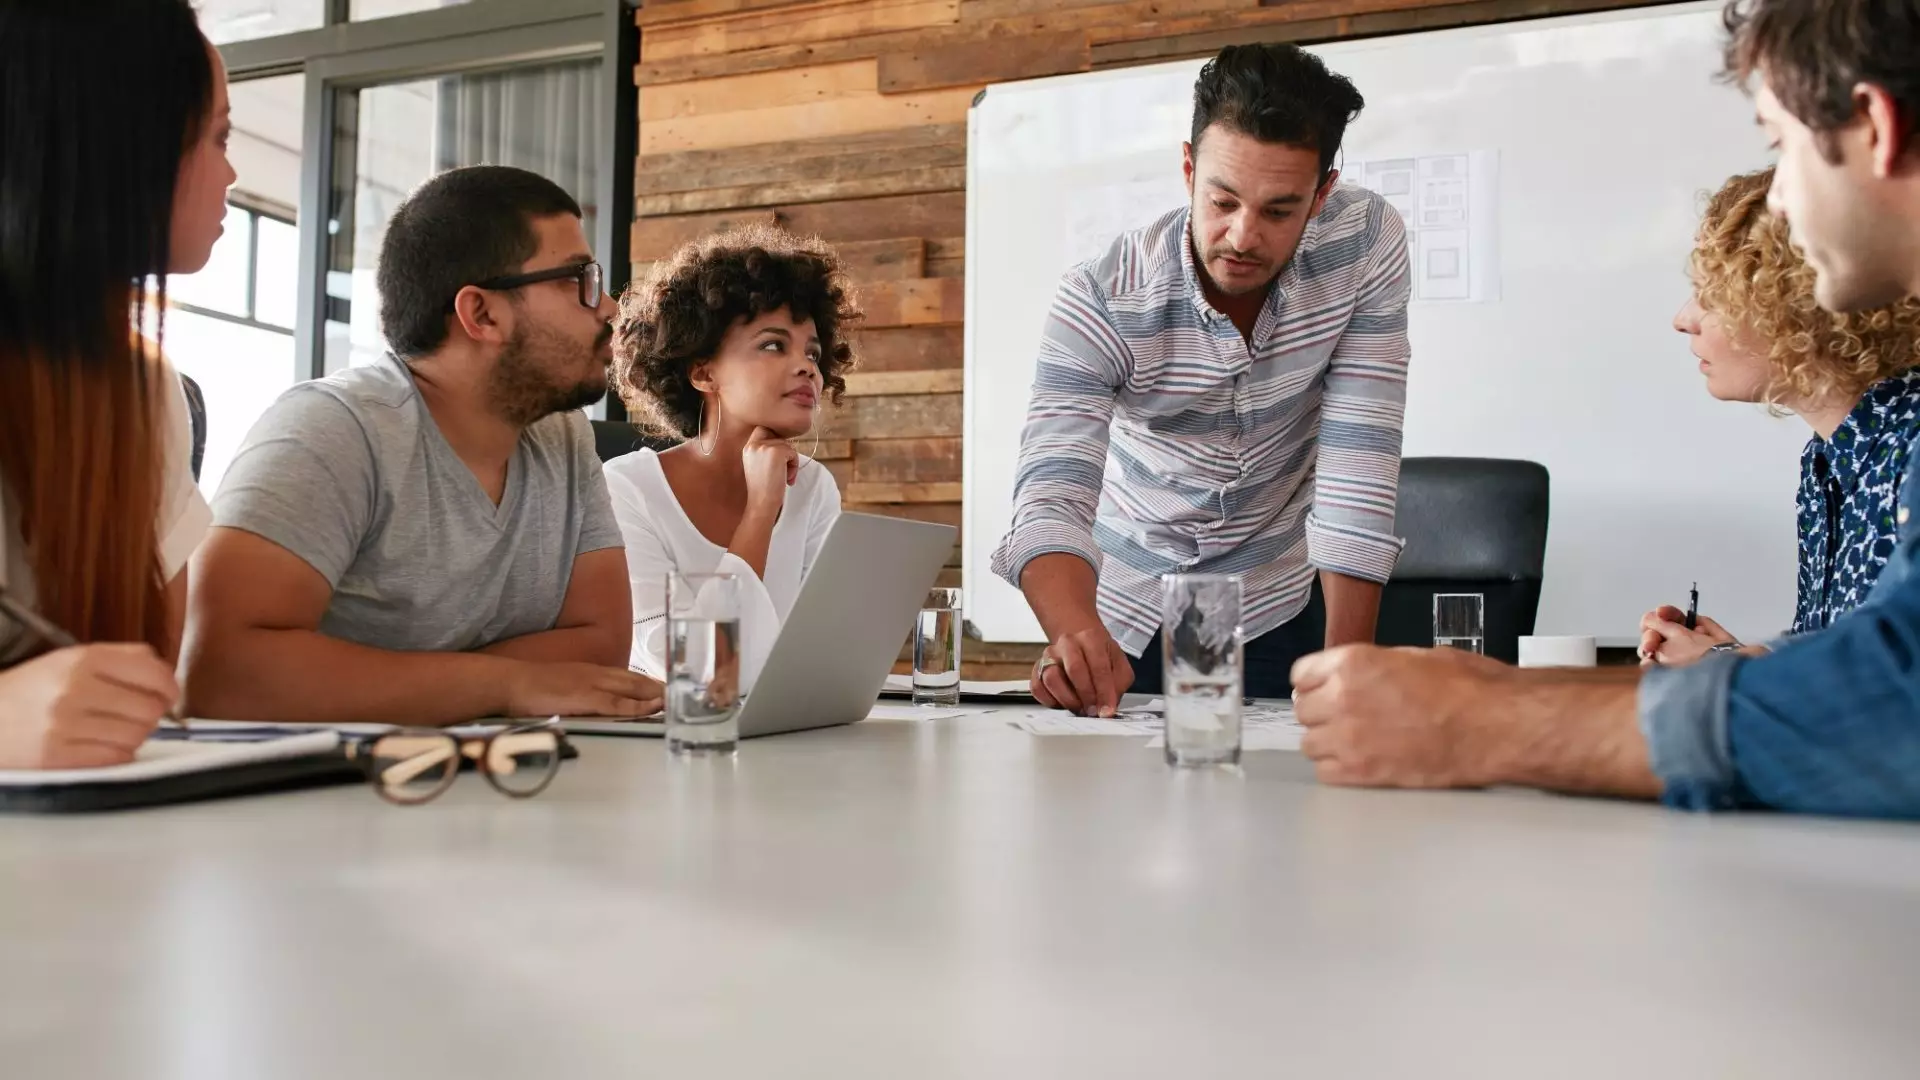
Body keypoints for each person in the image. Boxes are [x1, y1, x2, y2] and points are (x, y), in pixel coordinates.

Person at [1291, 0, 1920, 819]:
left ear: (1874, 126)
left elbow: (1886, 706)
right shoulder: (1836, 459)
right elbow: (1878, 663)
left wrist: (1482, 715)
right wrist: (1738, 663)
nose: (1785, 210)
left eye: (1780, 143)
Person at [991, 43, 1412, 716]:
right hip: (1132, 602)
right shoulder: (1102, 298)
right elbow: (1051, 494)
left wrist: (1347, 669)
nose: (1242, 236)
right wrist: (1073, 631)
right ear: (1188, 168)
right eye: (1222, 200)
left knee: (1294, 800)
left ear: (1321, 193)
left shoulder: (1363, 242)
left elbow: (1359, 459)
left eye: (1279, 210)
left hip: (1274, 595)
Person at [181, 165, 662, 725]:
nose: (608, 308)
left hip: (493, 786)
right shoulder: (334, 428)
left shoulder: (563, 437)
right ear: (481, 313)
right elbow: (220, 671)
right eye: (577, 280)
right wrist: (511, 683)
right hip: (329, 798)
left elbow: (599, 647)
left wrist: (408, 681)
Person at [0, 0, 232, 769]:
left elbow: (145, 690)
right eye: (218, 136)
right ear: (120, 147)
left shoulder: (144, 390)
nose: (230, 172)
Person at [1641, 168, 1920, 665]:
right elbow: (1838, 652)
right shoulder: (1826, 459)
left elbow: (1894, 697)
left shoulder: (1911, 451)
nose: (1683, 318)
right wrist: (1732, 655)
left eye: (1713, 296)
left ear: (1798, 310)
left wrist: (1723, 668)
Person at [606, 226, 855, 692]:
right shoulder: (626, 490)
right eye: (773, 345)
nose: (808, 367)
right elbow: (694, 670)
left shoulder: (813, 488)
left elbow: (820, 659)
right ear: (703, 372)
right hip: (668, 748)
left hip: (780, 740)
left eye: (814, 353)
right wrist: (760, 511)